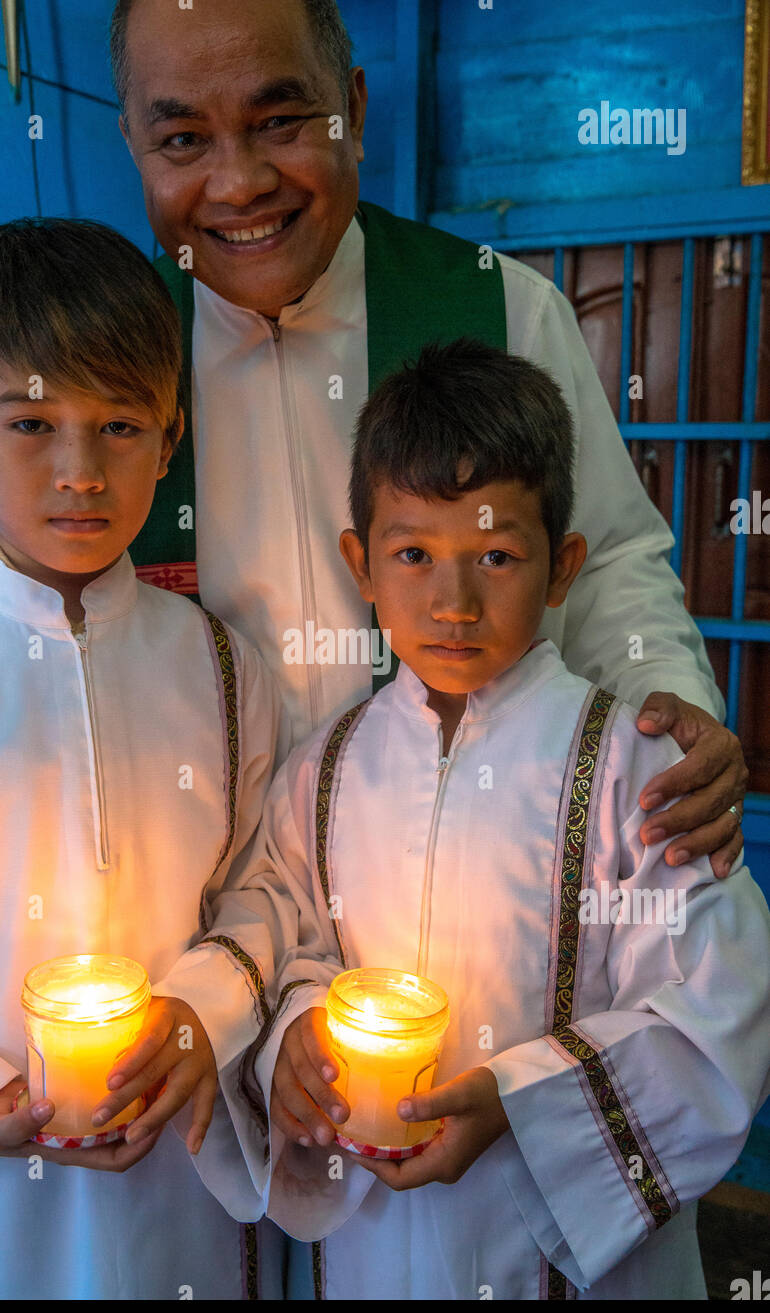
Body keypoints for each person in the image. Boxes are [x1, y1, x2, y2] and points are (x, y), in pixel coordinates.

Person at [108, 0, 747, 884]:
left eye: (281, 121)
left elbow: (606, 560)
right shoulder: (107, 365)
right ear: (135, 146)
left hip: (471, 871)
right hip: (203, 889)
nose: (240, 182)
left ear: (356, 111)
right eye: (183, 141)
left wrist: (663, 711)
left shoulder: (501, 310)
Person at [198, 341, 770, 1299]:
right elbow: (286, 938)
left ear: (563, 567)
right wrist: (295, 1034)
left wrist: (520, 1100)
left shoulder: (638, 771)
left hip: (580, 1273)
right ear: (360, 565)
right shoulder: (325, 772)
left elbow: (721, 1015)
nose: (453, 602)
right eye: (413, 554)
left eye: (496, 556)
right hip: (372, 1250)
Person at [0, 218, 285, 1299]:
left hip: (183, 1165)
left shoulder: (221, 665)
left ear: (168, 441)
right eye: (31, 422)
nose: (80, 473)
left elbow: (265, 884)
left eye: (120, 426)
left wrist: (199, 1016)